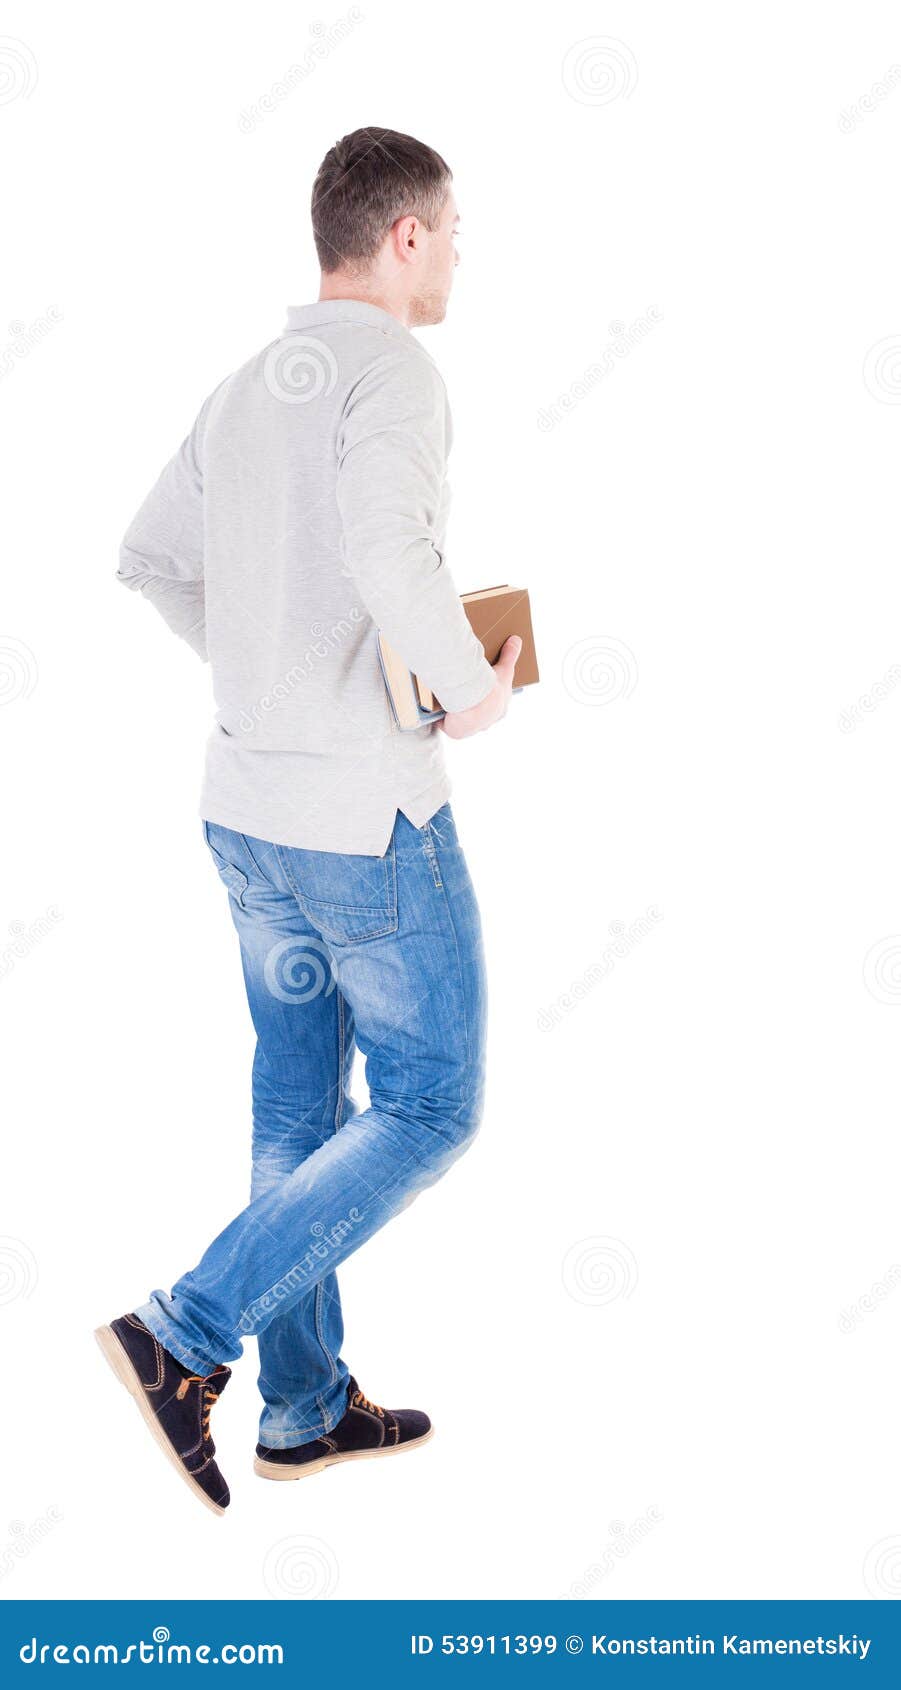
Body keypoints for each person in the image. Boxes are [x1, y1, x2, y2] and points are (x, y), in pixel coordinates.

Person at [96, 127, 521, 1514]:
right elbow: (390, 548)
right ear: (401, 235)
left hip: (246, 809)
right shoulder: (392, 368)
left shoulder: (240, 388)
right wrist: (464, 690)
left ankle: (299, 1406)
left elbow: (148, 558)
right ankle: (185, 1333)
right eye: (450, 229)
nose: (457, 252)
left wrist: (266, 661)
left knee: (299, 1112)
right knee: (430, 1103)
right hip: (359, 817)